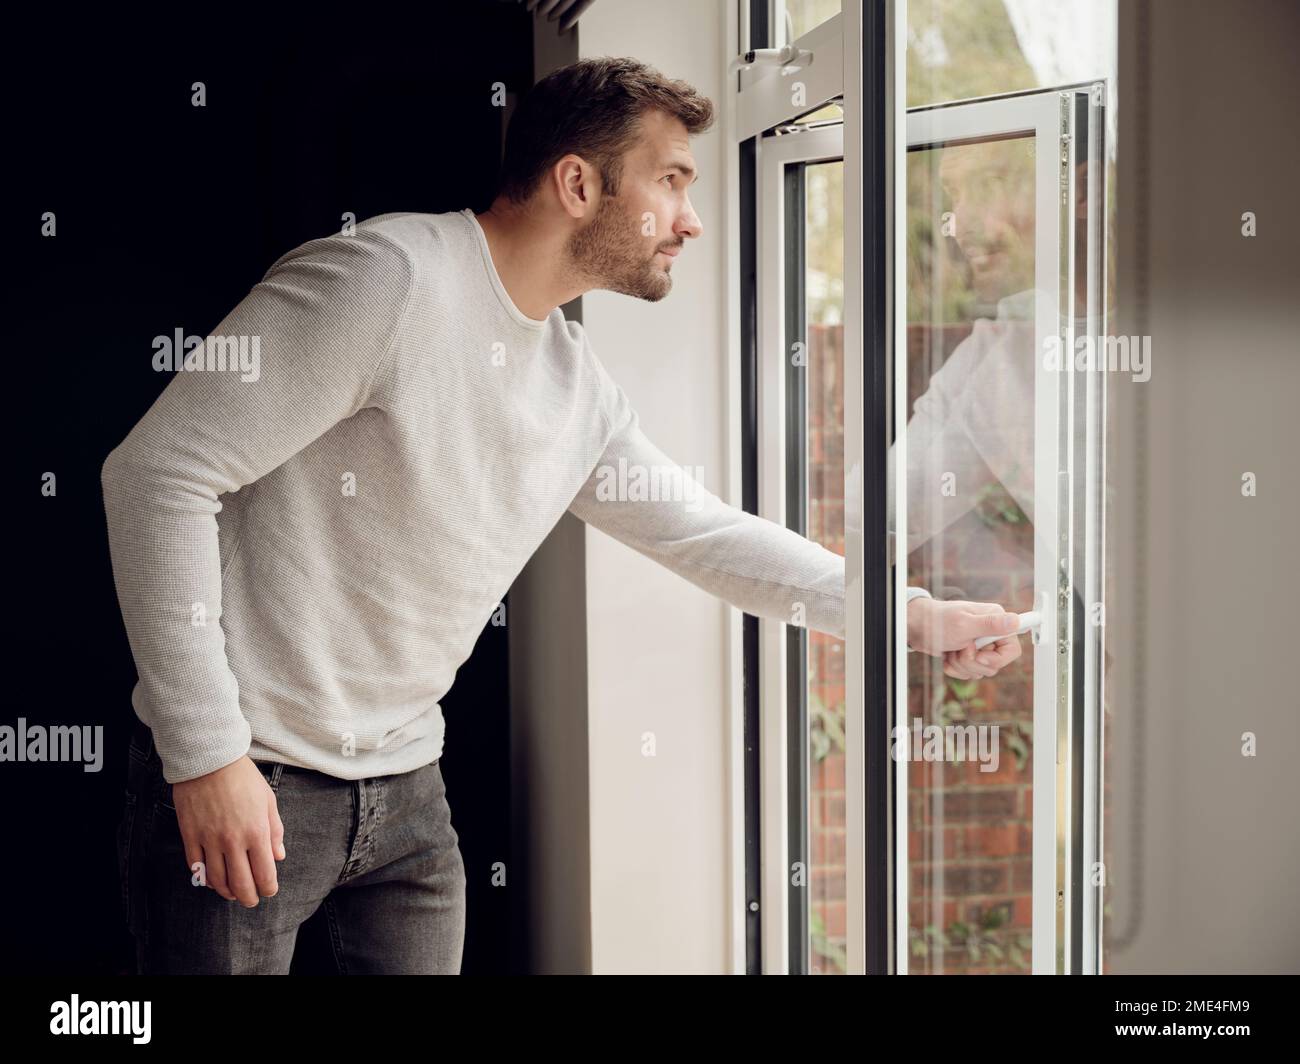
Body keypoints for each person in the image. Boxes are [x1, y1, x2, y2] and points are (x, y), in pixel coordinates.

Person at [103, 57, 1024, 975]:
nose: (691, 220)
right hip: (251, 781)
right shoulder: (387, 281)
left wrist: (911, 618)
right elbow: (158, 475)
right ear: (578, 182)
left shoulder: (573, 385)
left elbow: (708, 537)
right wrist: (206, 756)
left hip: (407, 803)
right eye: (669, 181)